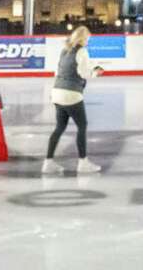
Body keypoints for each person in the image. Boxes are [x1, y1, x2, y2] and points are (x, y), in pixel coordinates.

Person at [43, 25, 103, 174]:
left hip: (57, 92)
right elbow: (83, 73)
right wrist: (96, 73)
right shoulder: (81, 51)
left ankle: (48, 162)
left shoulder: (64, 51)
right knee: (82, 126)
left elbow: (57, 71)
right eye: (88, 38)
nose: (88, 41)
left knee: (59, 127)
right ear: (82, 38)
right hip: (71, 93)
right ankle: (83, 163)